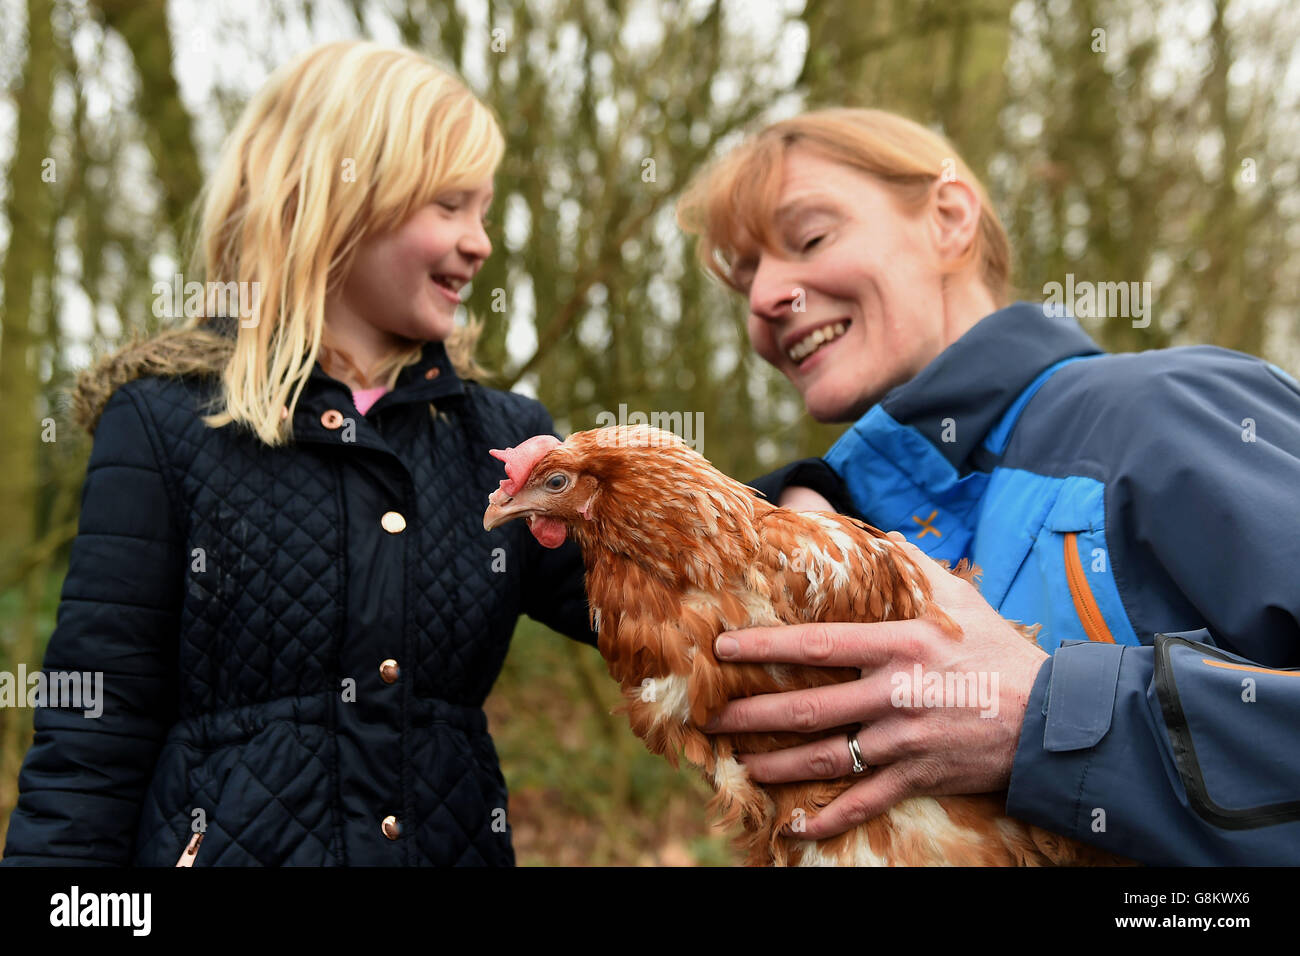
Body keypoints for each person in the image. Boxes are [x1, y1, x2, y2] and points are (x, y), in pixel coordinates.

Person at [0, 41, 593, 866]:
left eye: (485, 211)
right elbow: (92, 734)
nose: (482, 241)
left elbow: (670, 582)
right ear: (339, 199)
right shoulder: (167, 425)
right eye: (452, 206)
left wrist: (810, 500)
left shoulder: (500, 439)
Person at [678, 107, 1300, 865]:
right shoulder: (841, 534)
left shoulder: (1165, 417)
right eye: (743, 279)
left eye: (809, 239)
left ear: (948, 218)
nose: (766, 297)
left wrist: (1046, 718)